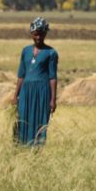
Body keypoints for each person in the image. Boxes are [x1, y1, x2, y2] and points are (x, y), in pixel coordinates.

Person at [11, 17, 58, 146]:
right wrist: (15, 96)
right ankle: (21, 148)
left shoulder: (51, 53)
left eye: (41, 34)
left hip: (42, 92)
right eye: (36, 34)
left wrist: (53, 99)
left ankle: (37, 149)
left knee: (39, 120)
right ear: (31, 34)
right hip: (26, 92)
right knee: (22, 119)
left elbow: (52, 77)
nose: (38, 37)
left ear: (45, 34)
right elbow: (21, 75)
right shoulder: (25, 51)